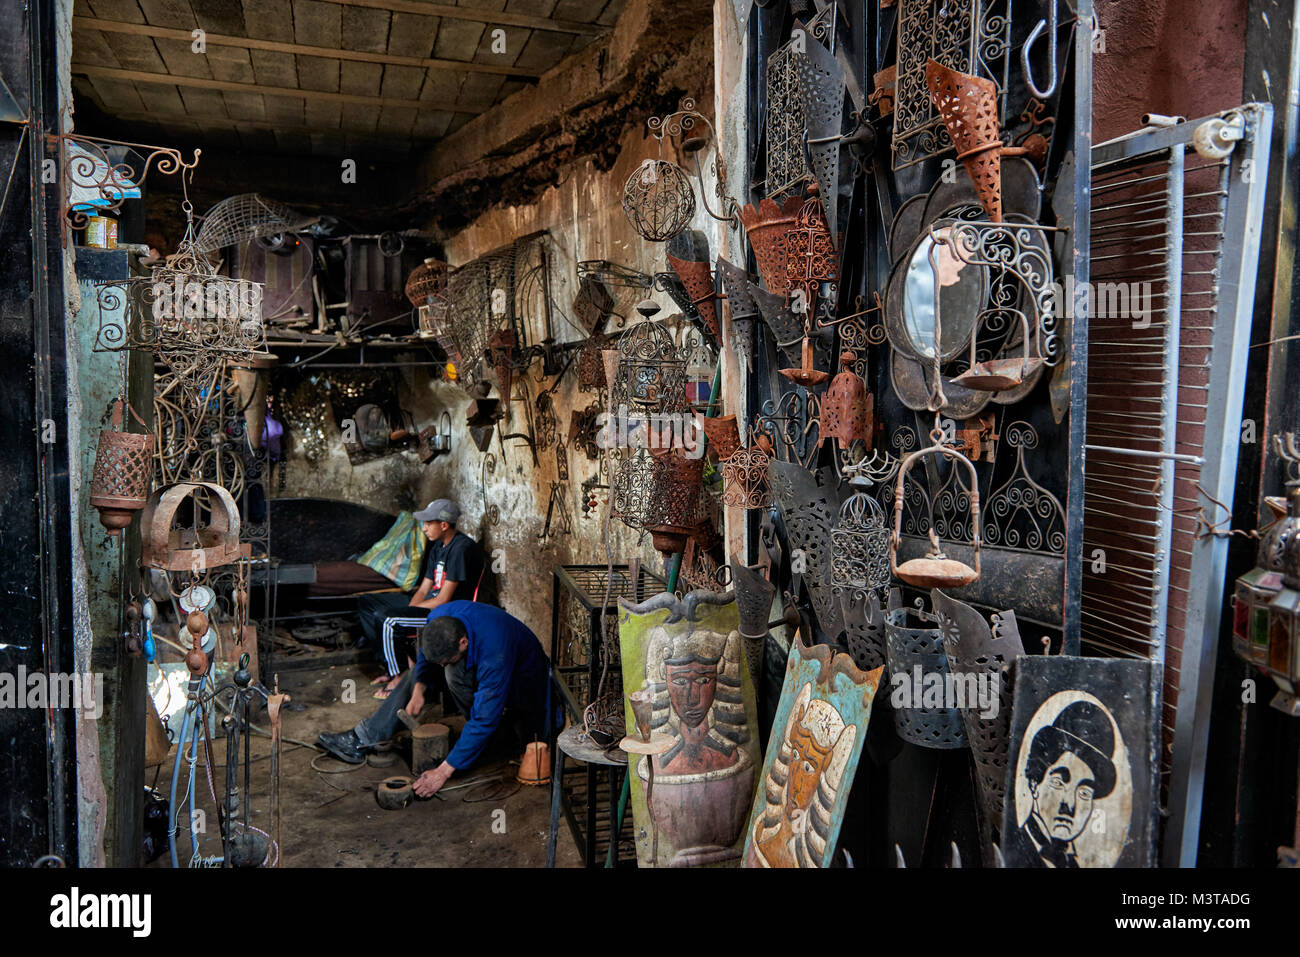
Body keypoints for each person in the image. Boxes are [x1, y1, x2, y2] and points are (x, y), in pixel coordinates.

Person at [317, 601, 554, 798]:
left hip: (525, 678)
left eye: (446, 659)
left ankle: (488, 742)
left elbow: (484, 718)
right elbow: (425, 657)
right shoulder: (438, 618)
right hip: (480, 653)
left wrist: (442, 772)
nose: (440, 666)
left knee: (501, 724)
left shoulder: (495, 655)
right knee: (443, 673)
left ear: (463, 642)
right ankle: (363, 737)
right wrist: (418, 689)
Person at [356, 499, 486, 698]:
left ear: (443, 525)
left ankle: (399, 676)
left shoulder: (461, 549)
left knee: (389, 619)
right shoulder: (437, 547)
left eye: (428, 523)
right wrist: (411, 607)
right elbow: (425, 586)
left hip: (446, 612)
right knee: (367, 602)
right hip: (429, 604)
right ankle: (396, 663)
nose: (424, 528)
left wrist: (409, 611)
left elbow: (443, 600)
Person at [1008, 700, 1118, 868]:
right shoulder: (1012, 848)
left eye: (1084, 793)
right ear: (1034, 783)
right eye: (1058, 783)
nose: (1070, 806)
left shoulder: (1075, 863)